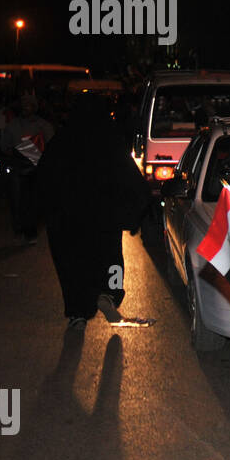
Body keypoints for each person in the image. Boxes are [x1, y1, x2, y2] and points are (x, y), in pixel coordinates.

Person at [37, 94, 151, 330]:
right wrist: (135, 213)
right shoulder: (110, 139)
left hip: (67, 219)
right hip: (104, 218)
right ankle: (110, 293)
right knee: (112, 260)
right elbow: (130, 177)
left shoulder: (63, 139)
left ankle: (78, 312)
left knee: (72, 266)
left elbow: (44, 175)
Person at [0, 93, 54, 244]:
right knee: (17, 201)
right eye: (23, 105)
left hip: (36, 169)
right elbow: (4, 146)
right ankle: (19, 230)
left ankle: (31, 231)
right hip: (18, 168)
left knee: (33, 202)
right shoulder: (12, 125)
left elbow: (51, 145)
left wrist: (37, 154)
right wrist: (16, 152)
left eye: (29, 105)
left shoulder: (43, 125)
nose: (25, 107)